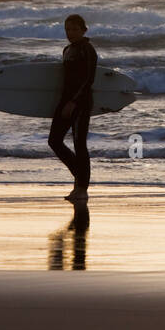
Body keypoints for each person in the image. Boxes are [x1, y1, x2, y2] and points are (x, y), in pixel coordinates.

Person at [48, 14, 97, 204]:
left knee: (79, 144)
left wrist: (74, 102)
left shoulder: (88, 50)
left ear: (84, 30)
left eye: (74, 29)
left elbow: (88, 80)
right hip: (66, 101)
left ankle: (81, 189)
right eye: (67, 29)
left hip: (81, 103)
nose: (70, 33)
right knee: (54, 140)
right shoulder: (67, 49)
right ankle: (80, 177)